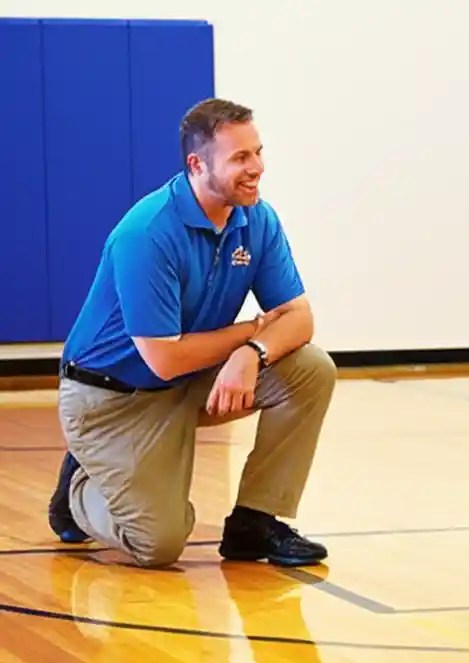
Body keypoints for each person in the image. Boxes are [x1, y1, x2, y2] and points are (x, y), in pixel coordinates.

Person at [48, 98, 335, 569]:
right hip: (112, 401)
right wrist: (248, 330)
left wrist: (252, 353)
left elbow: (299, 317)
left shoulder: (257, 218)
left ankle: (254, 523)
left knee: (310, 369)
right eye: (240, 158)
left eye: (258, 152)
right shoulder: (147, 232)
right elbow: (164, 358)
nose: (257, 168)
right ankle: (79, 488)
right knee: (157, 545)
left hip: (188, 380)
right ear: (197, 165)